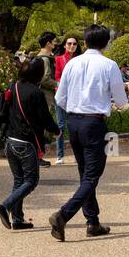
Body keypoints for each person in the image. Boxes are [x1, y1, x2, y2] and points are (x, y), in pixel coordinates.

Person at [49, 23, 127, 242]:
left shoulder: (73, 63)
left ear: (84, 42)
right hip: (94, 123)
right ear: (106, 43)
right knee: (92, 175)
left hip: (73, 121)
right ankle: (63, 214)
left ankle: (92, 221)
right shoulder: (109, 65)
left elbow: (59, 98)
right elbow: (121, 100)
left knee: (85, 173)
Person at [0, 57, 61, 230]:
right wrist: (57, 130)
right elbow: (45, 118)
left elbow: (0, 114)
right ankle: (5, 206)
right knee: (31, 180)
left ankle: (17, 219)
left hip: (10, 141)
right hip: (26, 142)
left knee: (19, 180)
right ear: (38, 74)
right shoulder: (35, 93)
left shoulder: (12, 87)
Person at [52, 35, 80, 165]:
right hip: (62, 95)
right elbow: (57, 76)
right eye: (69, 43)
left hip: (76, 97)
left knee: (75, 126)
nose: (72, 46)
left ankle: (77, 155)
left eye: (74, 44)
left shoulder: (81, 60)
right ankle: (60, 155)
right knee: (61, 125)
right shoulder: (59, 59)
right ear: (64, 45)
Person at [34, 31, 59, 167]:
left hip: (40, 95)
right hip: (45, 95)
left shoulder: (38, 57)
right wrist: (57, 84)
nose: (55, 44)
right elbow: (45, 79)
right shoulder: (45, 59)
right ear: (48, 43)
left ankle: (38, 155)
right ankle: (38, 156)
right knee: (42, 125)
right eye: (54, 41)